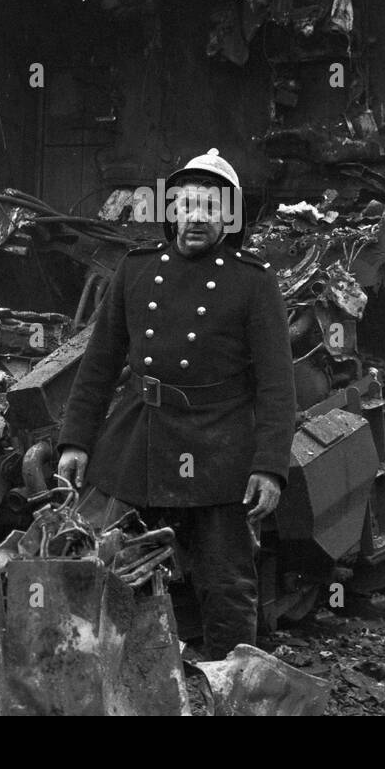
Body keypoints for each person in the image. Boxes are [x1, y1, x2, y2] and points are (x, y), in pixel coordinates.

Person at [56, 149, 297, 659]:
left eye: (211, 207)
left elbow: (277, 386)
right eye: (187, 204)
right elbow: (98, 364)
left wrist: (270, 467)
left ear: (228, 218)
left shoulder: (252, 281)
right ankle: (111, 679)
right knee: (102, 561)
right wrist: (75, 441)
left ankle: (228, 685)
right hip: (139, 439)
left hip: (218, 448)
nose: (196, 217)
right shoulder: (137, 269)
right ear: (171, 211)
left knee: (226, 585)